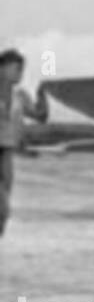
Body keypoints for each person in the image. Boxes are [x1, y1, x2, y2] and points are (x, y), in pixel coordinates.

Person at [0, 48, 49, 237]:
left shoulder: (20, 96)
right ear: (2, 68)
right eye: (17, 68)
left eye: (22, 69)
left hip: (6, 152)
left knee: (4, 207)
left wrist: (43, 93)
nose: (20, 73)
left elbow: (40, 116)